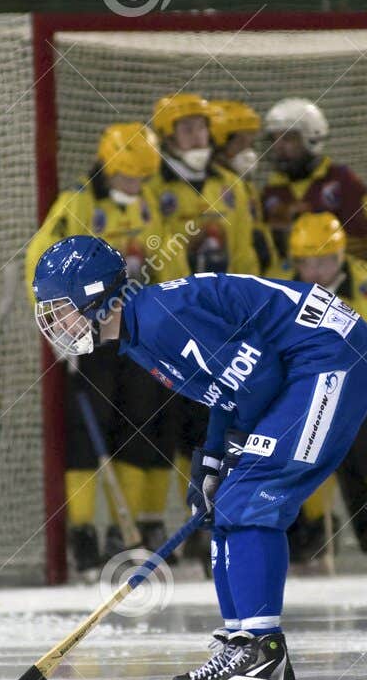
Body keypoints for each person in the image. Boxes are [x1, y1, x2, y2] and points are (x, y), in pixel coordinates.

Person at [30, 235, 367, 680]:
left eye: (59, 309)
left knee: (249, 499)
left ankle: (261, 653)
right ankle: (243, 643)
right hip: (301, 364)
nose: (54, 324)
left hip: (331, 357)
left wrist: (239, 451)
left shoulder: (157, 321)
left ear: (93, 294)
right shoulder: (139, 332)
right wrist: (213, 457)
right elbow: (227, 389)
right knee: (224, 509)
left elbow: (259, 376)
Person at [25, 122, 176, 574]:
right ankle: (83, 532)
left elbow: (169, 255)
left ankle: (122, 531)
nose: (135, 186)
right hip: (90, 335)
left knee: (136, 425)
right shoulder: (77, 202)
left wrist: (175, 310)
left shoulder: (149, 203)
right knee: (87, 431)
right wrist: (57, 320)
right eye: (128, 177)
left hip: (137, 331)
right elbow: (40, 257)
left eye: (141, 178)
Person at [148, 92, 263, 564]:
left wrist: (249, 312)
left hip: (221, 324)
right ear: (168, 137)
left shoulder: (231, 185)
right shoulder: (153, 188)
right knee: (169, 424)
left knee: (210, 423)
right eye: (188, 129)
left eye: (202, 128)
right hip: (171, 323)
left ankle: (206, 519)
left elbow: (245, 255)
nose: (199, 137)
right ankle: (170, 521)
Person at [283, 213, 367, 567]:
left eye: (326, 262)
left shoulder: (366, 286)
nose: (316, 272)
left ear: (341, 257)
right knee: (310, 440)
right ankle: (311, 528)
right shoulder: (285, 289)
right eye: (307, 264)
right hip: (324, 375)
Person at [261, 98, 367, 265]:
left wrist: (324, 251)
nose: (278, 147)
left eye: (288, 139)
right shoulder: (271, 191)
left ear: (312, 138)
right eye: (273, 140)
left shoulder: (343, 182)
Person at [207, 98, 279, 276]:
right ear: (217, 146)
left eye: (250, 143)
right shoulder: (209, 189)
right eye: (240, 143)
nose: (248, 152)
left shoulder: (244, 186)